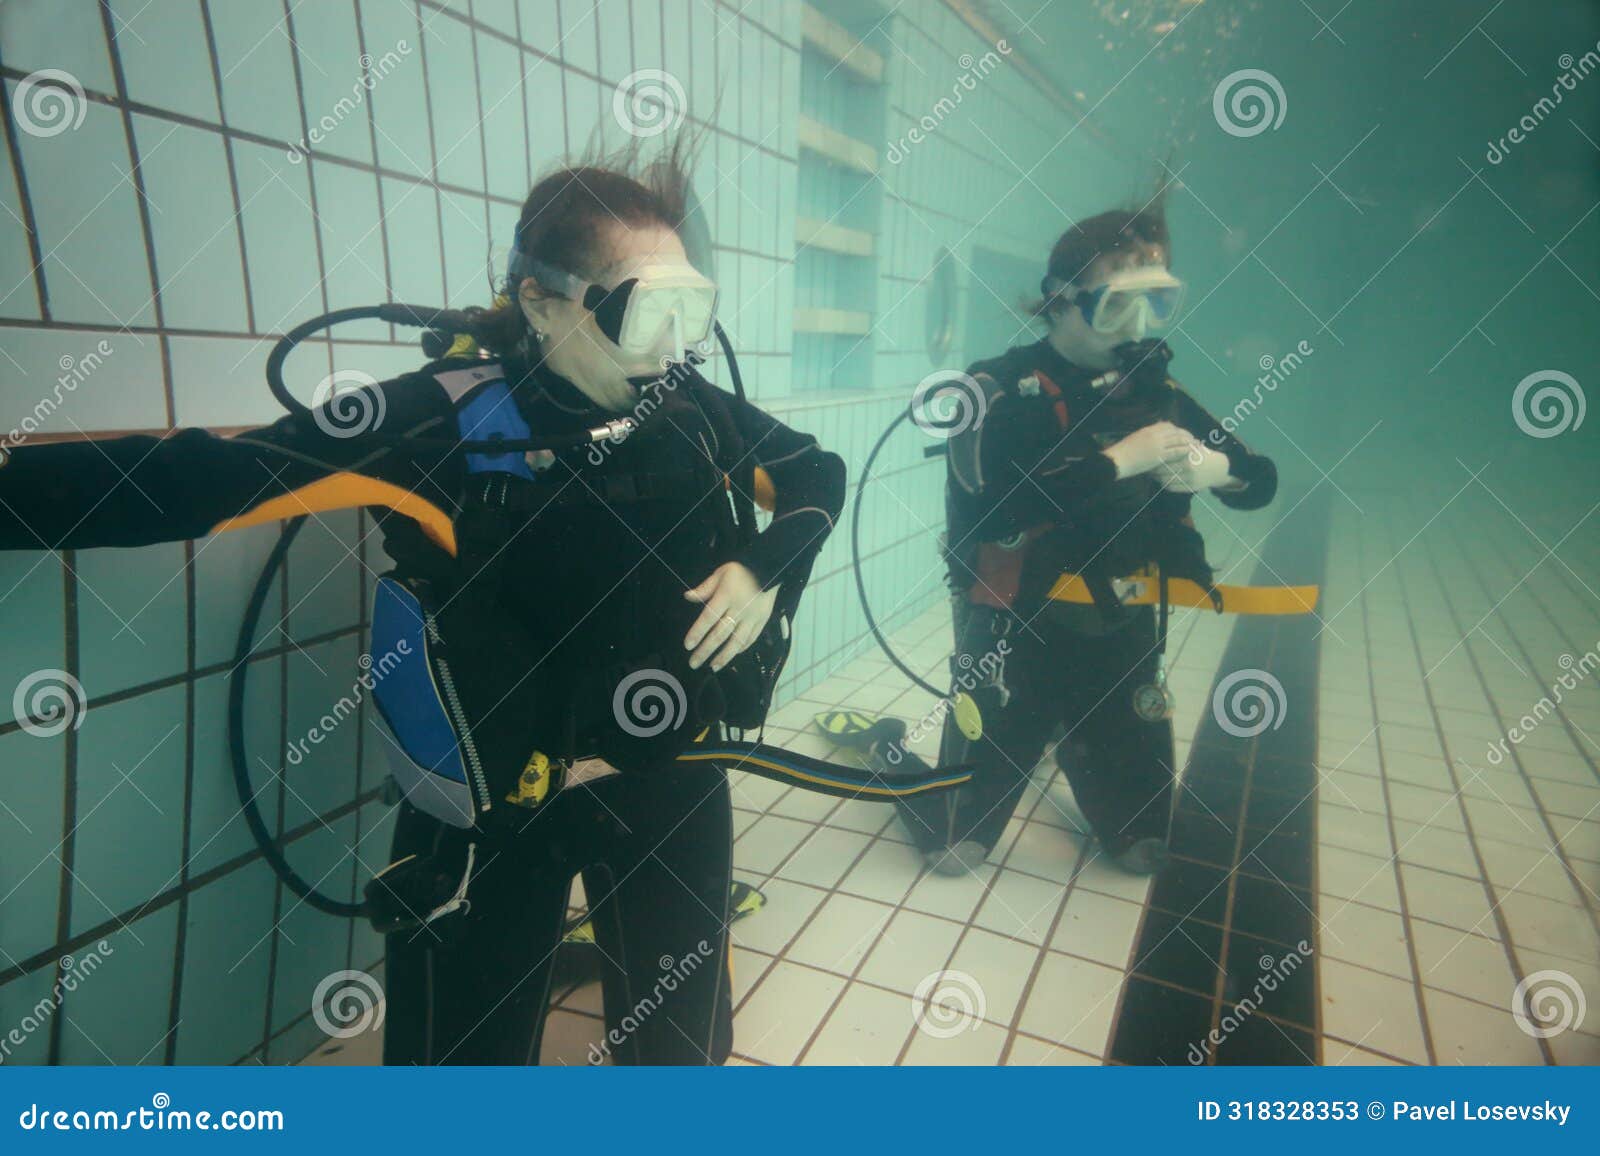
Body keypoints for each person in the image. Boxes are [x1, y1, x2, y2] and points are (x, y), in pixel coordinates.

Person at [0, 141, 846, 1065]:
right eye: (645, 313)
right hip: (497, 809)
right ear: (541, 299)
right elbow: (205, 478)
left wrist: (764, 567)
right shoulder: (436, 422)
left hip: (671, 775)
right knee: (458, 1072)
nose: (672, 348)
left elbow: (813, 473)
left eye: (692, 310)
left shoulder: (692, 407)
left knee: (683, 1061)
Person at [897, 197, 1278, 878]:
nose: (1136, 327)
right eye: (1115, 305)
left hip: (1122, 623)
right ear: (1060, 300)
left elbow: (1259, 481)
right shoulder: (999, 388)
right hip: (1014, 621)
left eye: (1155, 304)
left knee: (1141, 849)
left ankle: (1081, 747)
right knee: (953, 845)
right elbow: (992, 511)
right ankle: (905, 759)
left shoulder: (1157, 391)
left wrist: (1214, 469)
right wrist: (1119, 460)